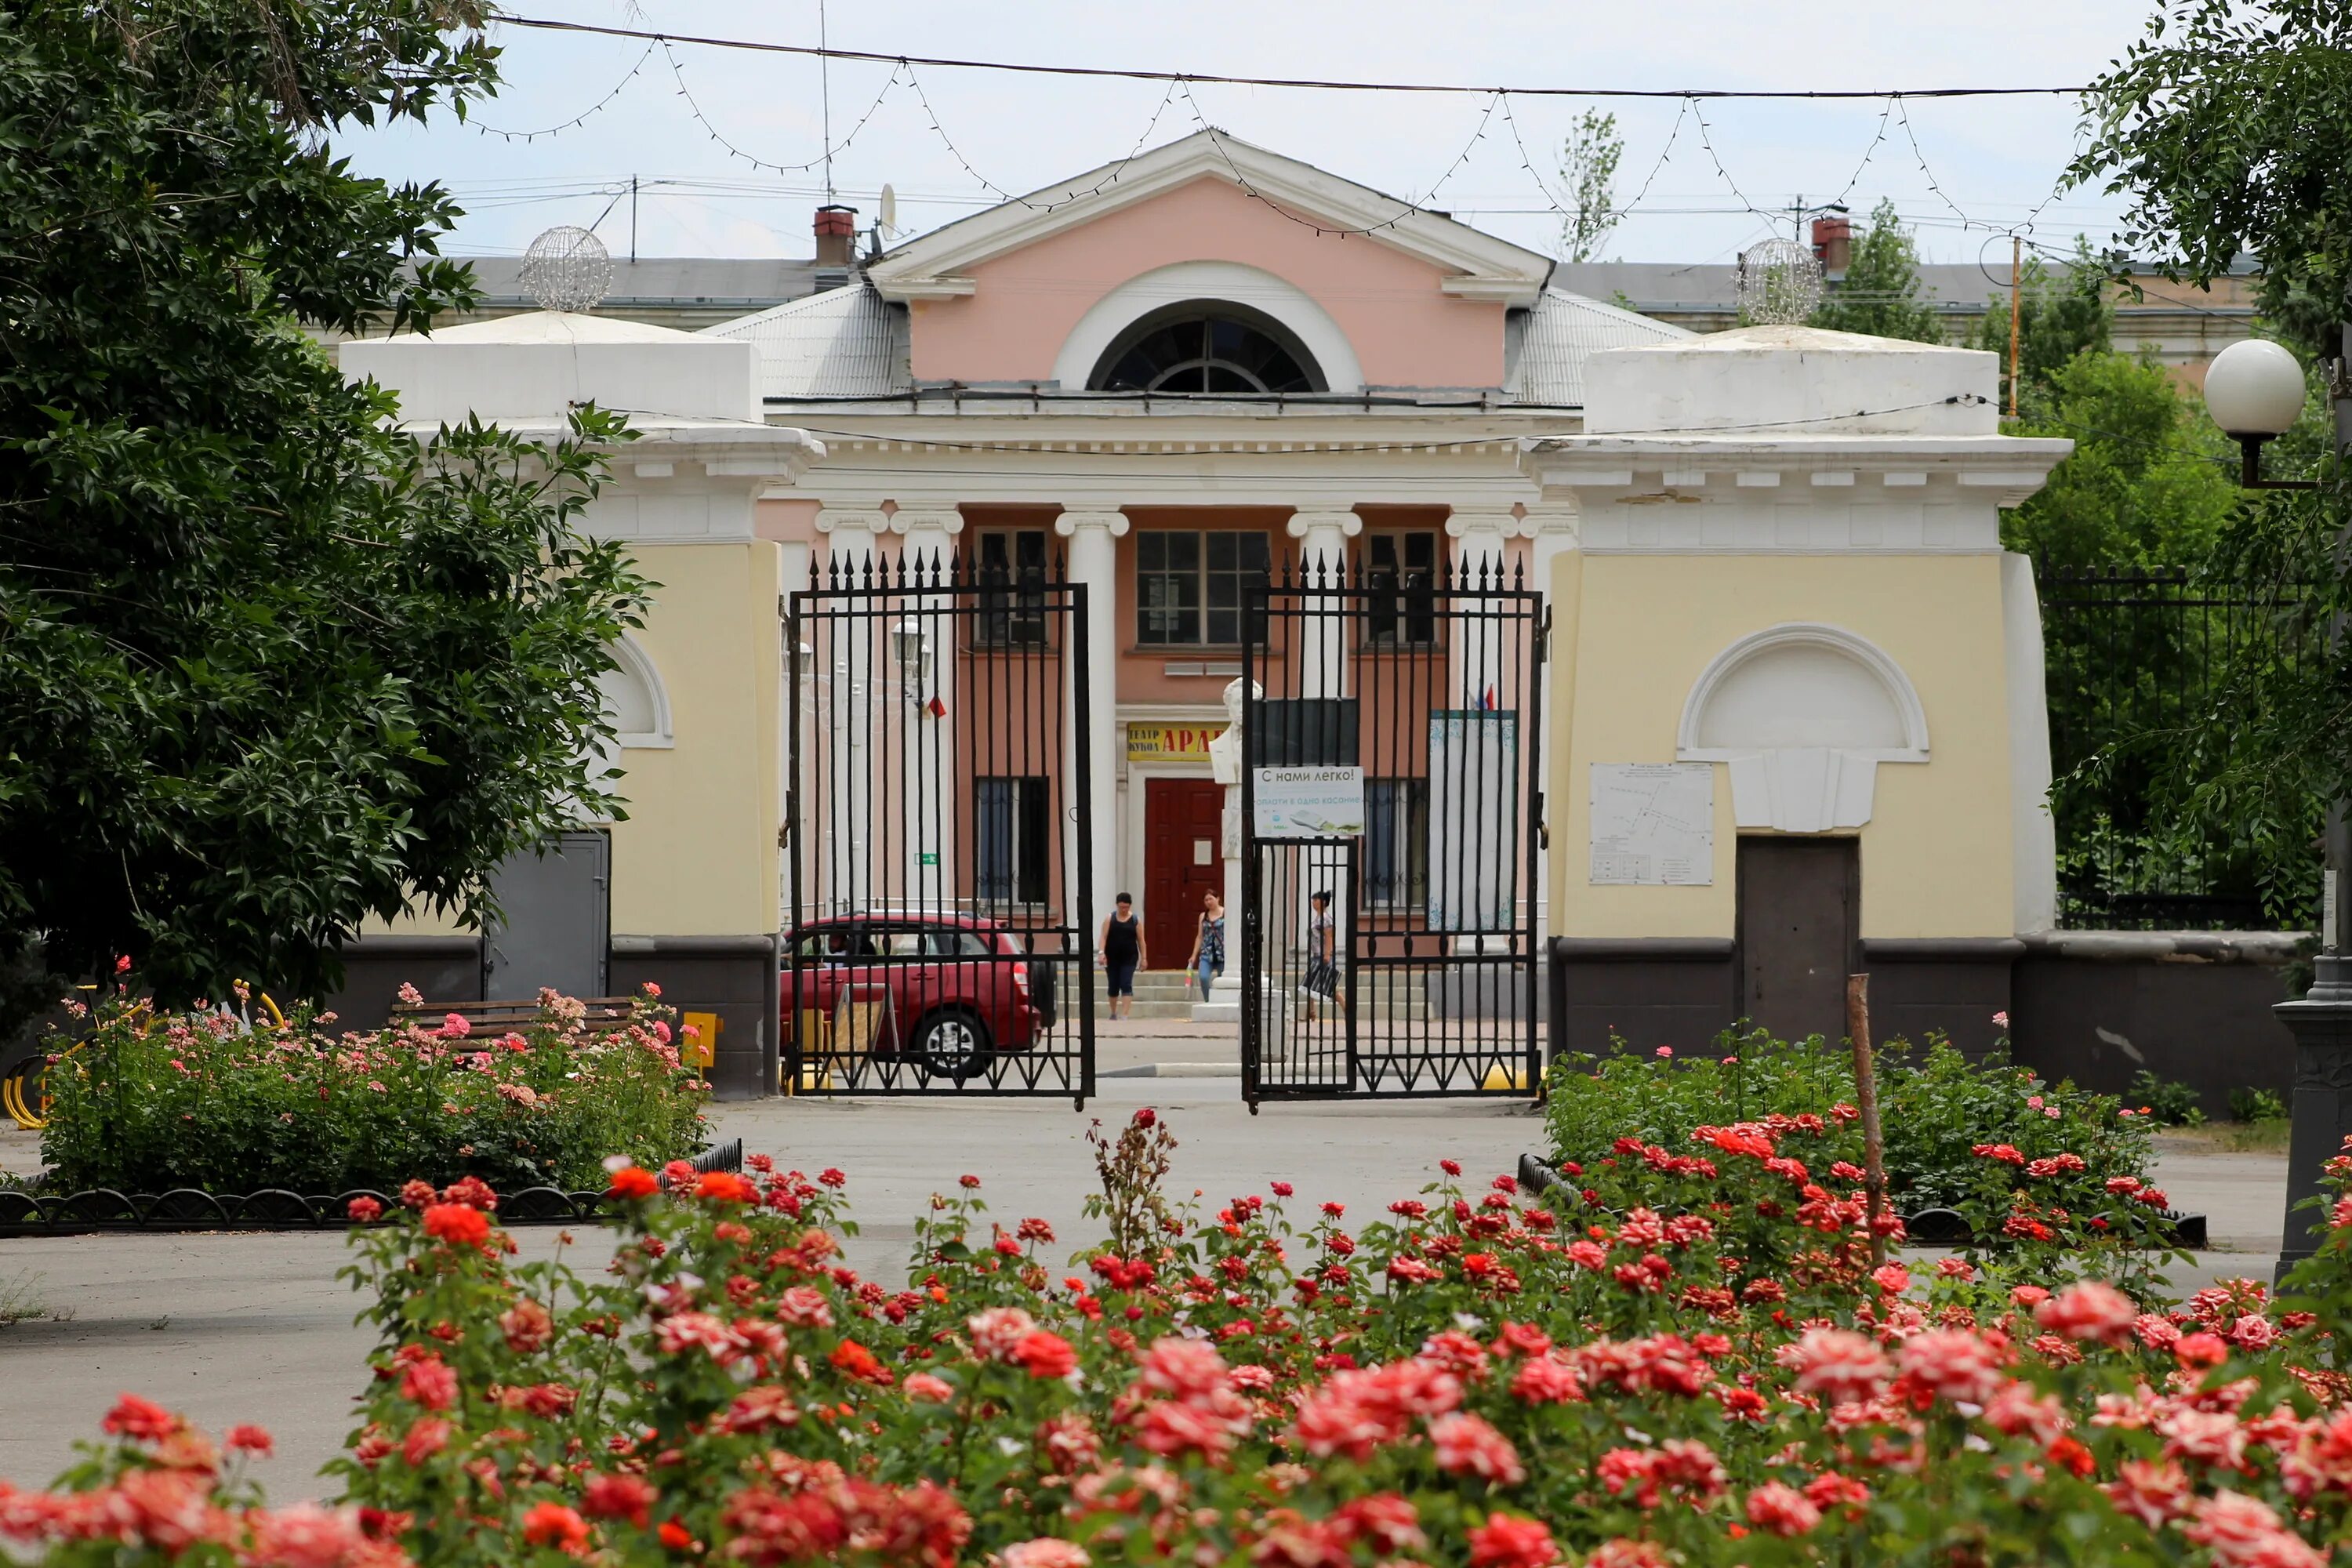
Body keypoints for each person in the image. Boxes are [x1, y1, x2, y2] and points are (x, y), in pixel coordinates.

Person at [1099, 893, 1145, 1019]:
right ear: (1117, 906)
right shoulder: (1110, 918)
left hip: (1129, 958)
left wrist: (1144, 958)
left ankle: (1125, 1014)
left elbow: (1141, 940)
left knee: (1126, 983)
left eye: (1126, 907)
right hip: (1112, 957)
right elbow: (1103, 936)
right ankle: (1113, 1012)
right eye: (1121, 907)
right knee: (1113, 985)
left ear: (1130, 906)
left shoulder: (1135, 920)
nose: (1123, 910)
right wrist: (1101, 953)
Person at [1303, 889, 1338, 1022]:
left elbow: (1329, 937)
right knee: (1309, 986)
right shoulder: (1318, 918)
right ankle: (1310, 1012)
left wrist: (1327, 955)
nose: (1313, 903)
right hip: (1316, 955)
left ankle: (1347, 1008)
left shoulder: (1326, 919)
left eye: (1316, 900)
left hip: (1323, 956)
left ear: (1323, 902)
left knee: (1331, 988)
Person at [1187, 891, 1225, 1000]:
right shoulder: (1203, 916)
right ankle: (1208, 1000)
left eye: (1211, 899)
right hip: (1207, 952)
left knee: (1222, 980)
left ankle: (1220, 1000)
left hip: (1222, 953)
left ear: (1217, 899)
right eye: (1206, 900)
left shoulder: (1225, 913)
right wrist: (1194, 955)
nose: (1209, 902)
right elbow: (1200, 936)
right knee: (1203, 977)